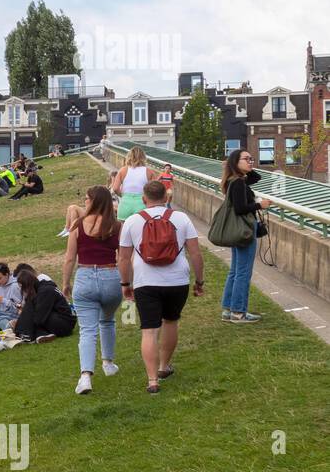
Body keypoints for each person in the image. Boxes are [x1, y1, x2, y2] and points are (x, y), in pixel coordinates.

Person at [118, 180, 205, 394]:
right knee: (170, 322)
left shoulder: (131, 221)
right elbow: (195, 253)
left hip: (145, 282)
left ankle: (152, 380)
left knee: (149, 330)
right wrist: (199, 281)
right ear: (166, 198)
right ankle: (164, 366)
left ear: (143, 199)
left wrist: (125, 284)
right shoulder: (182, 218)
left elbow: (123, 258)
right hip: (177, 281)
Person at [61, 185, 123, 395]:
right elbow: (123, 258)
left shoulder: (78, 226)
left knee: (87, 330)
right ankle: (108, 362)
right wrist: (127, 283)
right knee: (107, 321)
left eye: (87, 199)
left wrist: (65, 283)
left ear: (94, 201)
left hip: (85, 277)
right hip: (111, 277)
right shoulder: (116, 226)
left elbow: (70, 258)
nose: (84, 202)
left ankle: (85, 376)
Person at [219, 148, 269, 324]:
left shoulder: (235, 180)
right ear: (235, 162)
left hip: (237, 230)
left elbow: (257, 178)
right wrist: (260, 206)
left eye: (252, 158)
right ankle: (238, 313)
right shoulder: (238, 183)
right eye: (246, 159)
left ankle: (228, 309)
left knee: (235, 271)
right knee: (243, 272)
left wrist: (241, 166)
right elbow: (240, 209)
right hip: (244, 230)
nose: (251, 161)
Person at [8, 267, 75, 342]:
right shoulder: (39, 288)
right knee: (31, 308)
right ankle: (39, 334)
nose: (22, 290)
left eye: (22, 287)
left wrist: (21, 322)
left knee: (33, 312)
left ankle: (31, 333)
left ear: (26, 285)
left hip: (65, 325)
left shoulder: (45, 291)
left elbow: (39, 318)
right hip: (59, 320)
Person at [111, 146, 155, 220]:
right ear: (143, 157)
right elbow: (155, 190)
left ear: (129, 156)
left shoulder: (122, 170)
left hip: (125, 204)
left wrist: (123, 195)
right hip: (142, 204)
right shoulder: (149, 172)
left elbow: (115, 188)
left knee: (123, 229)